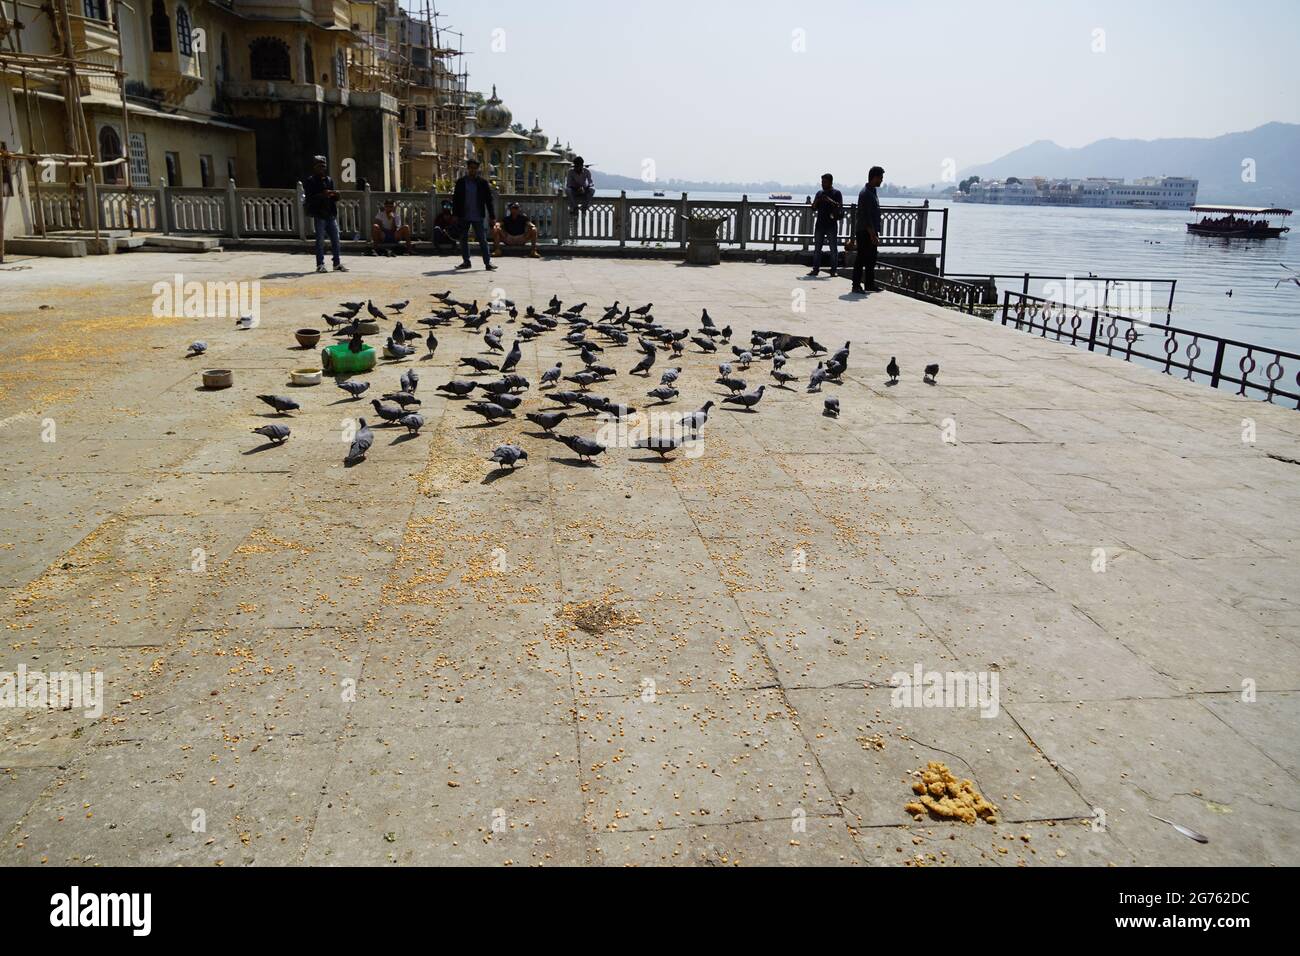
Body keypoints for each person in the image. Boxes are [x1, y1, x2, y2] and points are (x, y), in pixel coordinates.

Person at [304, 155, 346, 273]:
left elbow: (333, 197)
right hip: (319, 214)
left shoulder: (329, 180)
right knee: (320, 241)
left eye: (323, 166)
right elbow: (309, 198)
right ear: (315, 167)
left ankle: (336, 263)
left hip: (330, 213)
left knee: (336, 239)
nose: (322, 168)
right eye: (319, 166)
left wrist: (335, 195)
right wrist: (323, 195)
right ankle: (320, 264)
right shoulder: (310, 181)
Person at [452, 158, 495, 270]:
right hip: (463, 215)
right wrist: (455, 214)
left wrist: (492, 216)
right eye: (471, 168)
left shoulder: (483, 183)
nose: (473, 170)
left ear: (477, 169)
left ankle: (487, 263)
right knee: (463, 239)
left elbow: (489, 201)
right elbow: (455, 199)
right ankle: (466, 261)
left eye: (475, 168)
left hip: (477, 215)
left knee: (482, 239)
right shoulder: (461, 182)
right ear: (468, 168)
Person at [852, 165, 884, 294]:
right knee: (861, 258)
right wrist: (872, 235)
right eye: (880, 178)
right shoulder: (865, 193)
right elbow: (865, 217)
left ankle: (869, 284)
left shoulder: (872, 192)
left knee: (871, 259)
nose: (881, 180)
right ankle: (856, 285)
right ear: (874, 177)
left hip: (871, 231)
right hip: (865, 231)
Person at [807, 173, 844, 277]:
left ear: (831, 182)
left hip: (831, 225)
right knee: (817, 248)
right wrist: (818, 200)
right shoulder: (819, 193)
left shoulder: (837, 193)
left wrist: (829, 200)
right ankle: (815, 269)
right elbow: (813, 208)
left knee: (833, 249)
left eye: (825, 182)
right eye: (822, 182)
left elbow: (839, 206)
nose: (823, 184)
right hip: (820, 224)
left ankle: (833, 270)